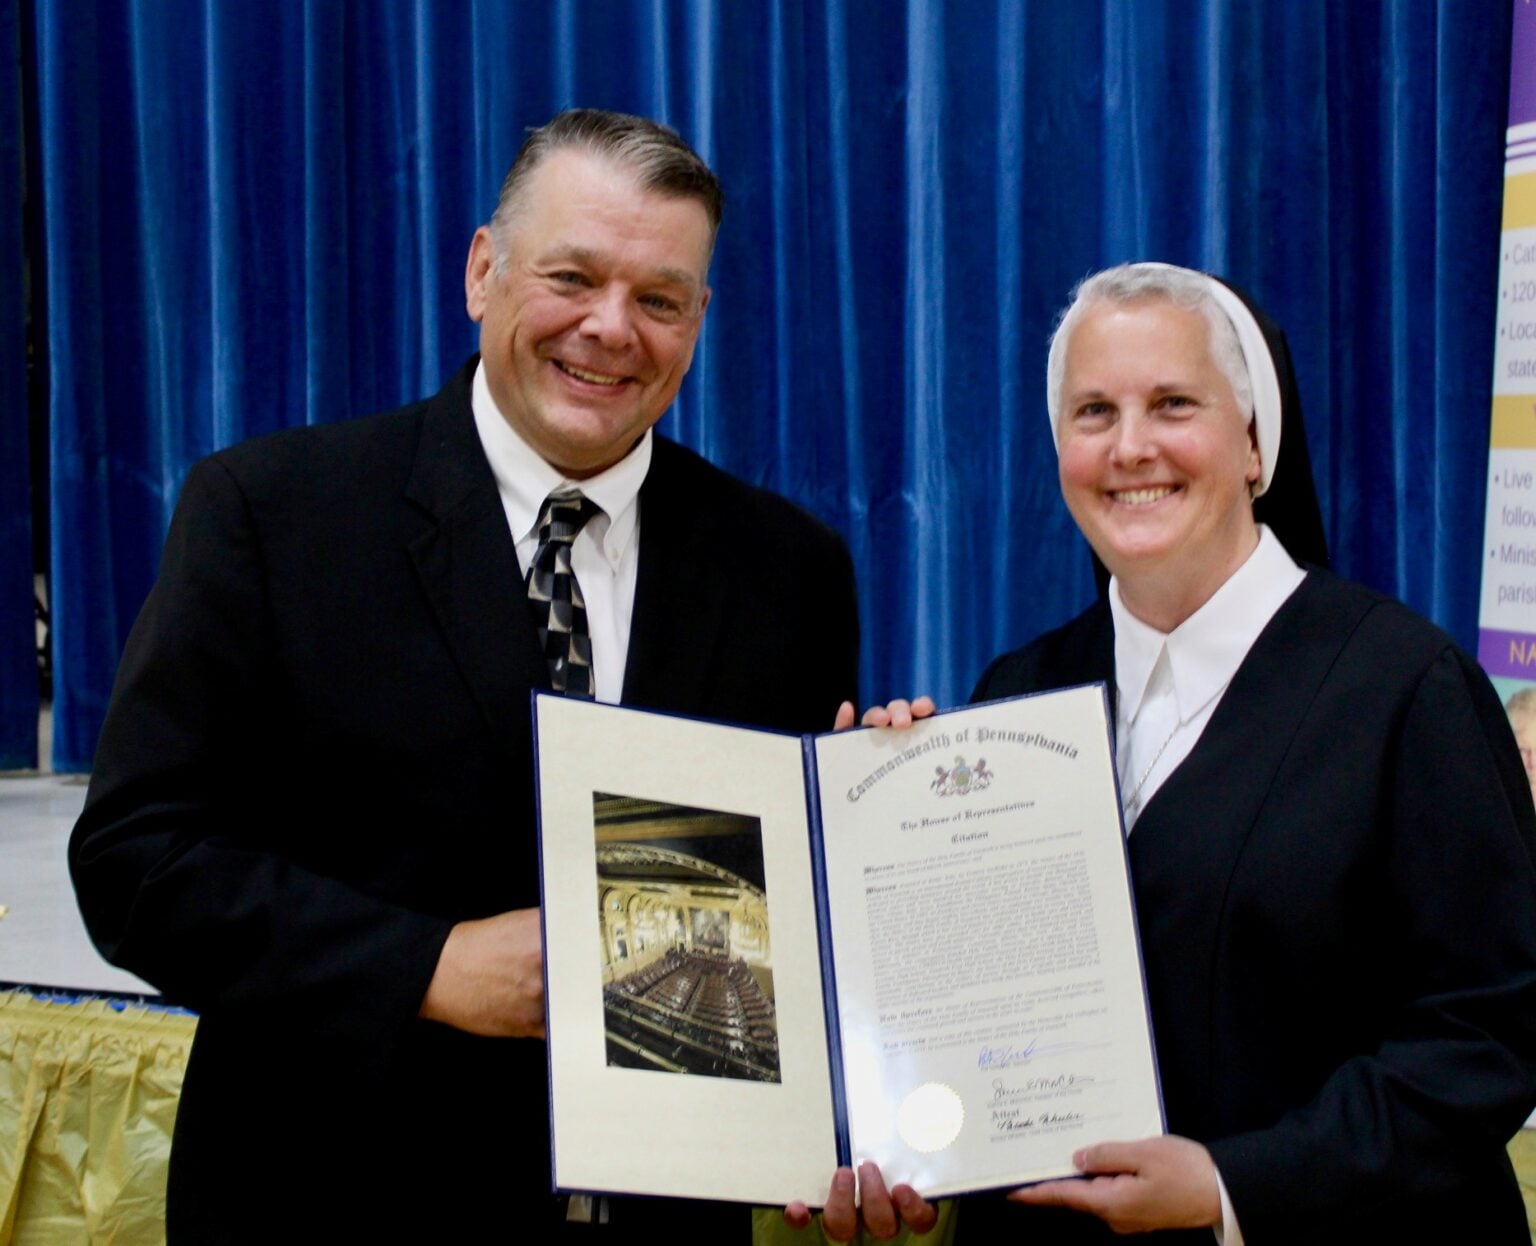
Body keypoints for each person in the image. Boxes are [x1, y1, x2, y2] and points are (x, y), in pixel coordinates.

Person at [69, 109, 859, 1243]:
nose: (609, 328)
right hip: (335, 1203)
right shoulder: (273, 514)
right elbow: (136, 862)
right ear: (483, 270)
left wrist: (882, 815)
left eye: (659, 298)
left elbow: (786, 923)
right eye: (573, 277)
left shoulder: (788, 568)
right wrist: (426, 967)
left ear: (699, 321)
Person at [824, 263, 1536, 1243]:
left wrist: (1233, 1184)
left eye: (1172, 404)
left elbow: (1489, 1034)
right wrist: (890, 823)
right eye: (1092, 412)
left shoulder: (1408, 689)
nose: (1129, 447)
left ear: (1253, 442)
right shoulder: (1016, 691)